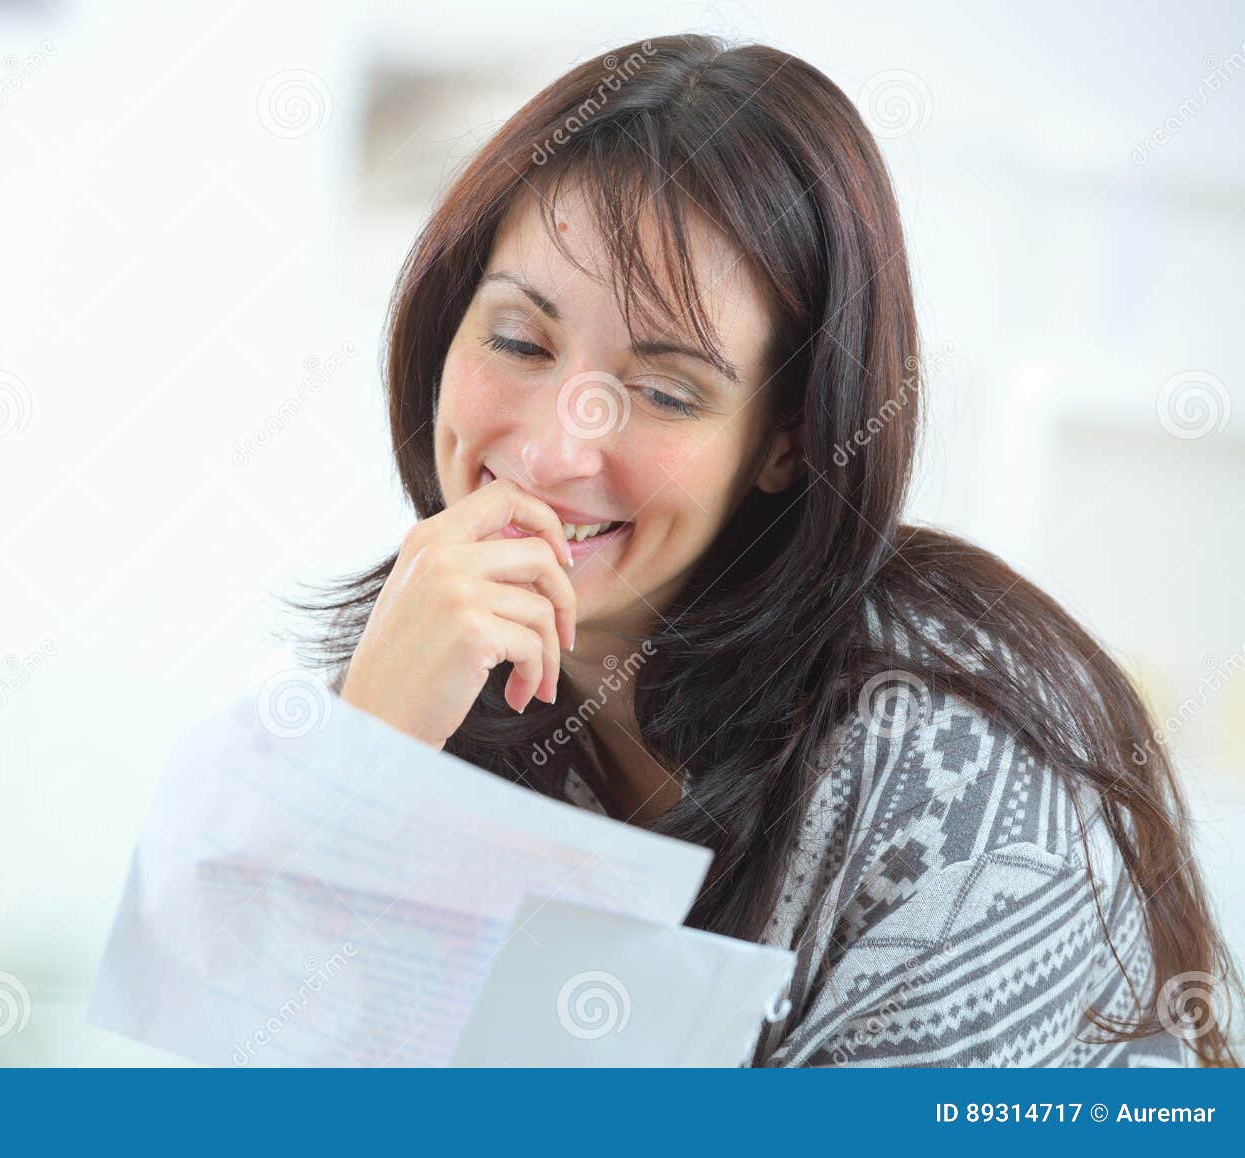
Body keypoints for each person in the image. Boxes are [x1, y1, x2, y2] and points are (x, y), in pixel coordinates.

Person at [292, 33, 1237, 1066]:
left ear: (787, 440)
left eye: (665, 392)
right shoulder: (424, 672)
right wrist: (364, 764)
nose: (555, 449)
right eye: (519, 341)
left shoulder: (950, 770)